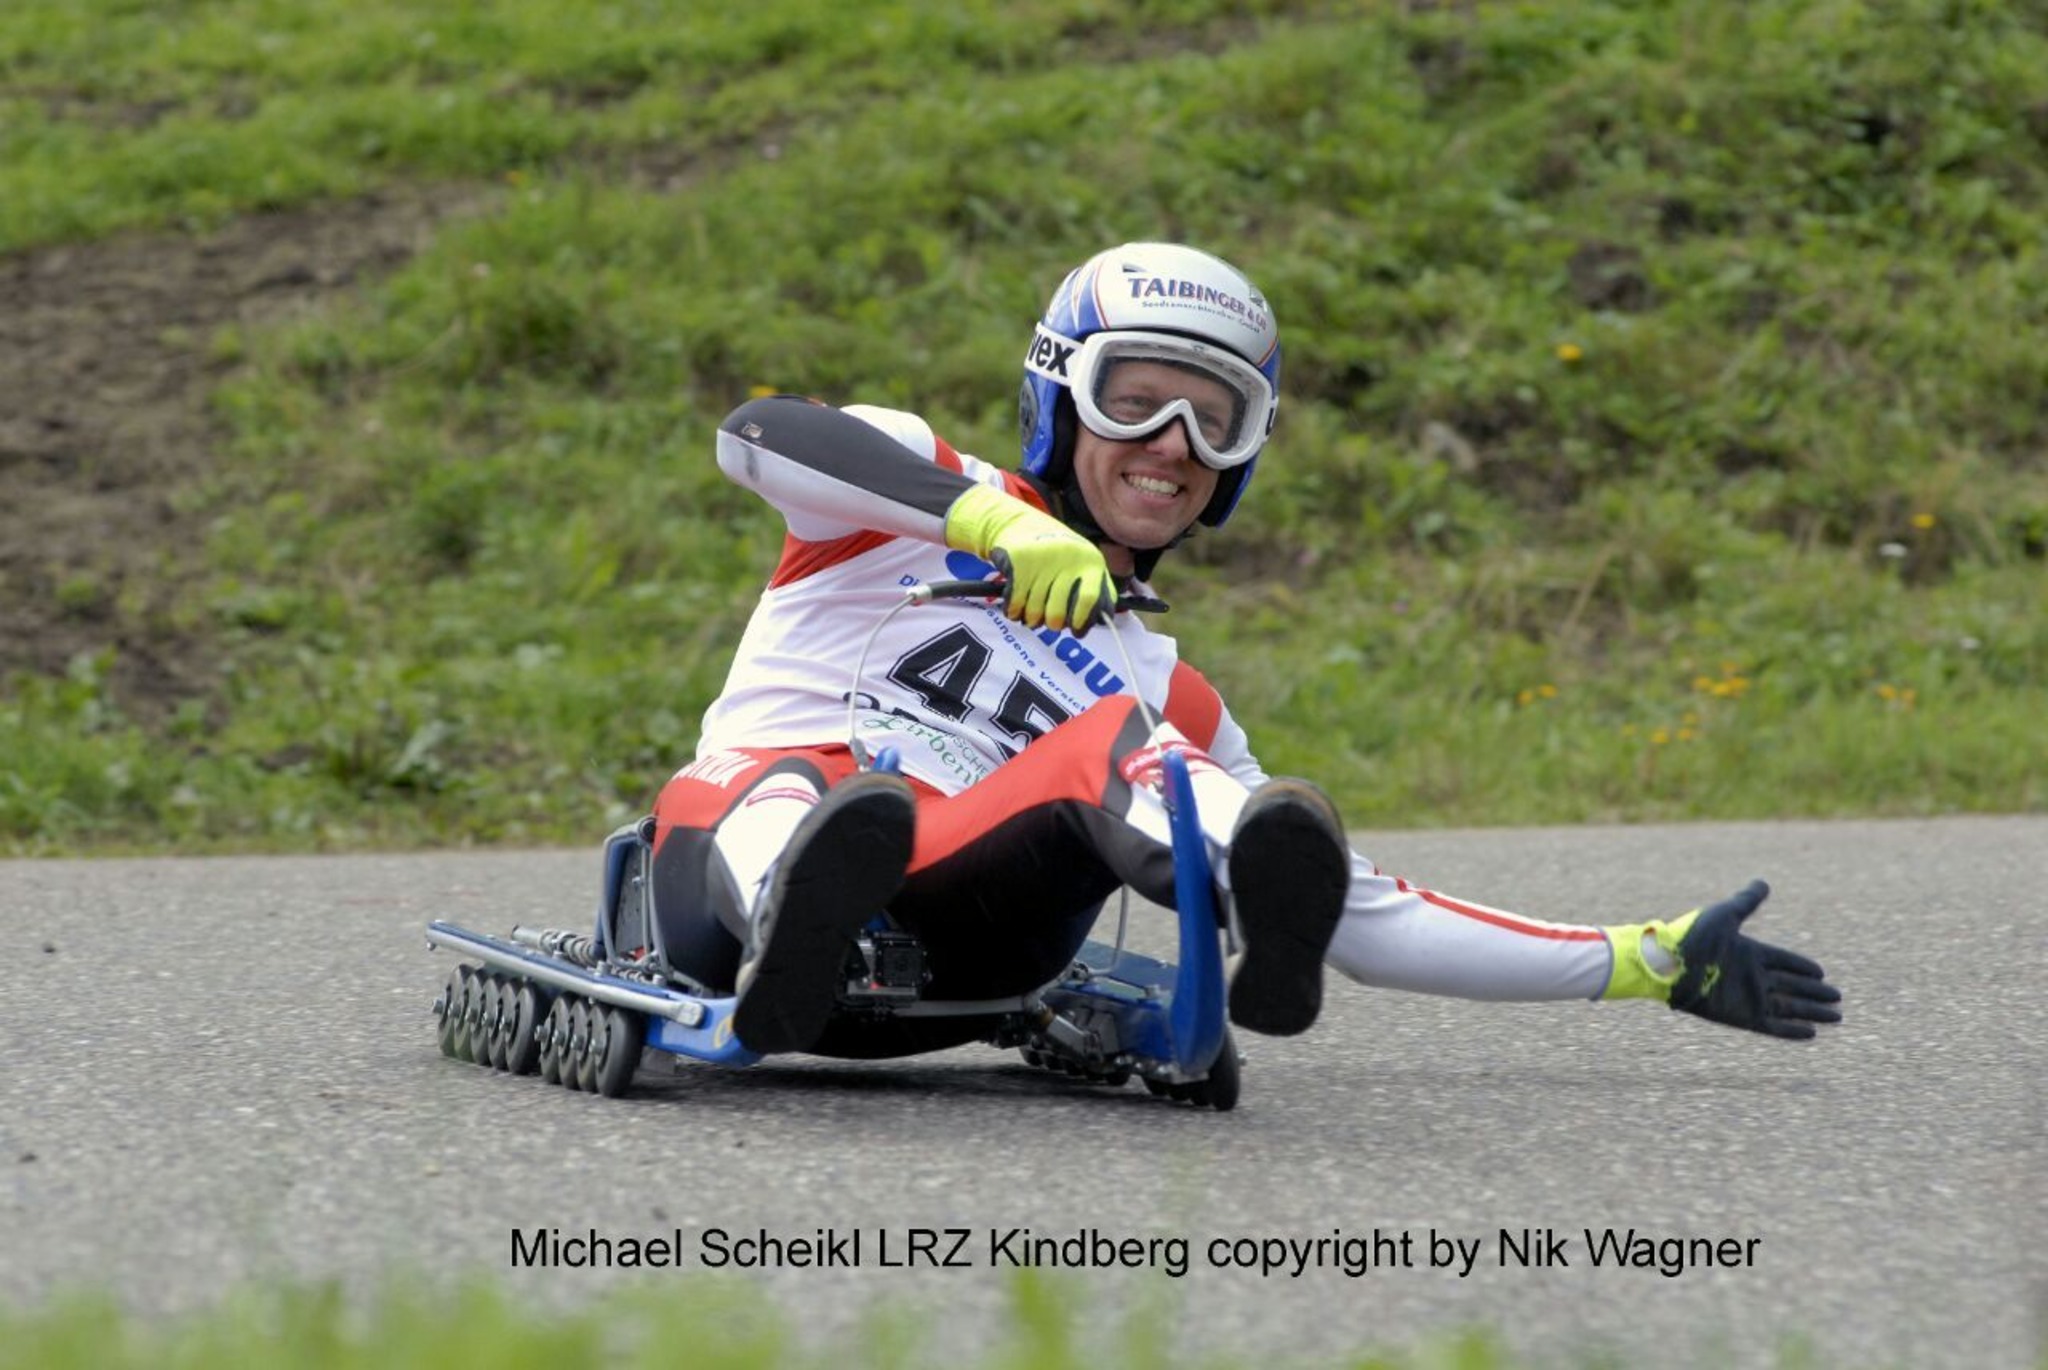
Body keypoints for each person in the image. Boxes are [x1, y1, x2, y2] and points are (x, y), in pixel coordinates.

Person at [645, 241, 1842, 1059]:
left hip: (956, 954)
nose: (1168, 443)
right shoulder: (907, 484)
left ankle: (1235, 897)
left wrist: (1641, 960)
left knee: (1144, 756)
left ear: (1241, 454)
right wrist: (991, 520)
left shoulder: (1167, 692)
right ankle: (791, 919)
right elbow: (756, 434)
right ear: (1058, 396)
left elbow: (1368, 910)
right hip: (725, 893)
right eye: (1136, 400)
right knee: (790, 786)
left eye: (1209, 420)